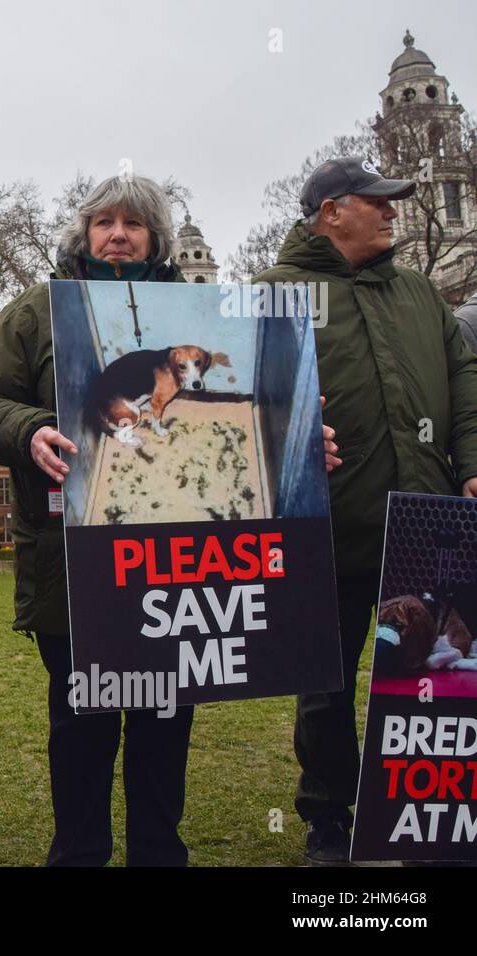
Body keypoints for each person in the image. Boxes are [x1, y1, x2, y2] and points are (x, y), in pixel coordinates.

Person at [0, 175, 198, 866]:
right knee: (82, 724)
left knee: (164, 721)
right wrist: (31, 429)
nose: (117, 233)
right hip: (71, 564)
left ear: (156, 238)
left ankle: (159, 853)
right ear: (85, 232)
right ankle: (78, 853)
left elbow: (258, 404)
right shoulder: (38, 310)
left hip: (177, 564)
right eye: (104, 221)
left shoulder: (201, 311)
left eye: (133, 223)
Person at [253, 156, 477, 864]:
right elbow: (235, 401)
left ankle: (423, 811)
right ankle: (327, 817)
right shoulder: (269, 294)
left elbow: (465, 380)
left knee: (432, 671)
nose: (391, 211)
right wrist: (281, 432)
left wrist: (472, 465)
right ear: (331, 212)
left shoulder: (418, 294)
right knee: (325, 682)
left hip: (425, 525)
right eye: (375, 201)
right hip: (325, 529)